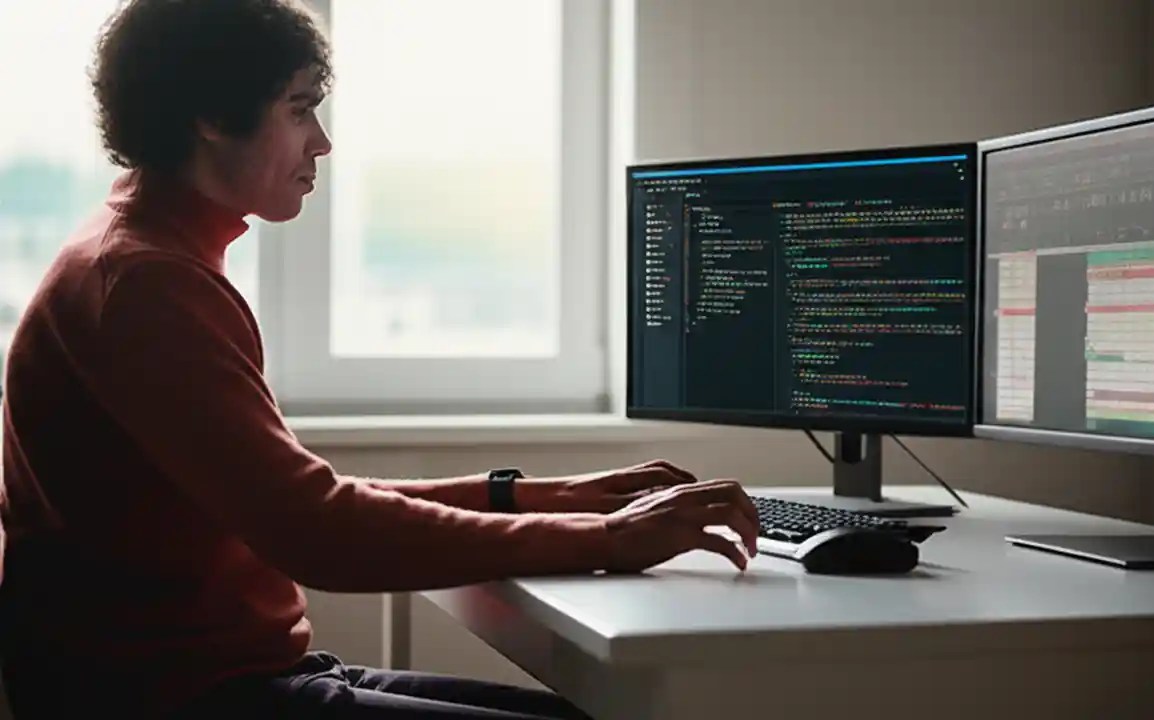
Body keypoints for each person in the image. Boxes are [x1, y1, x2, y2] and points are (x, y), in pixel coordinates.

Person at [0, 1, 759, 717]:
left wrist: (539, 497)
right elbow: (319, 531)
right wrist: (607, 541)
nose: (321, 141)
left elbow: (297, 498)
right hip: (188, 699)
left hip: (224, 680)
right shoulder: (144, 284)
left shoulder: (141, 252)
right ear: (208, 116)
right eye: (299, 110)